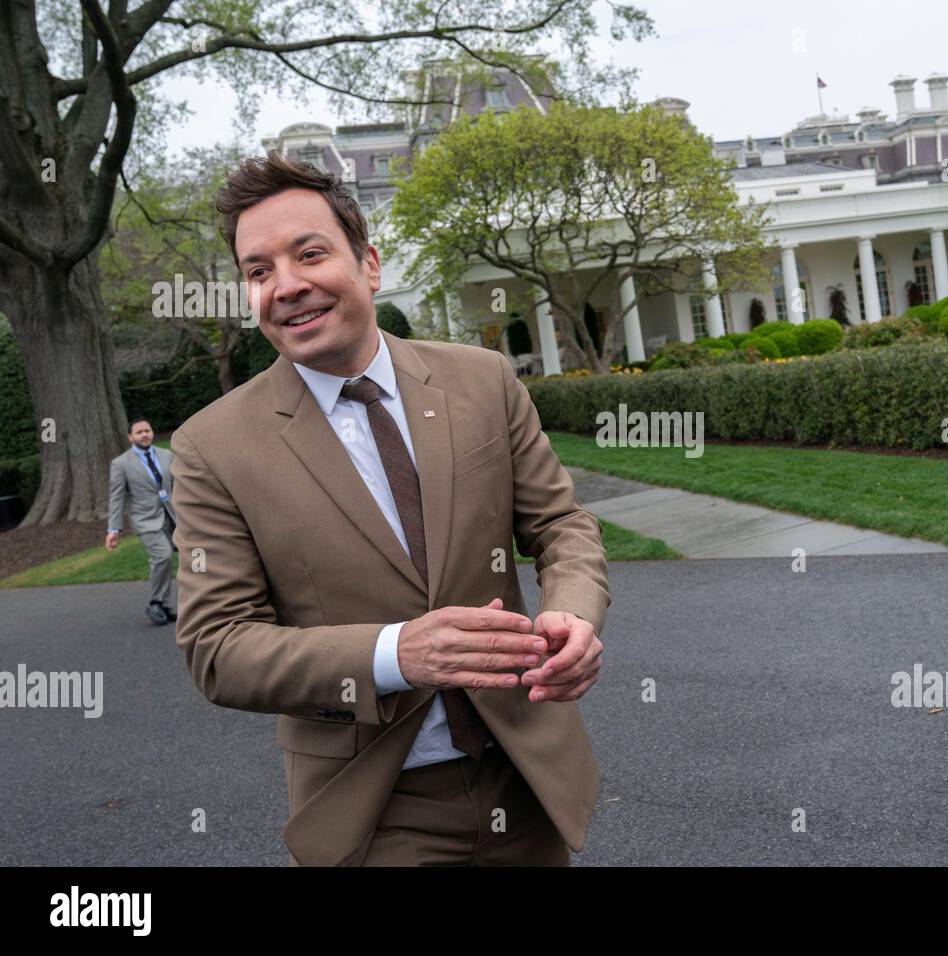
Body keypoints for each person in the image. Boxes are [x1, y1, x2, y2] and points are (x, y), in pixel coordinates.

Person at [169, 152, 609, 867]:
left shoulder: (484, 380)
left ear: (369, 264)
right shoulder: (211, 449)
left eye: (309, 253)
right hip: (374, 810)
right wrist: (396, 653)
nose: (286, 286)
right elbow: (219, 650)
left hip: (526, 781)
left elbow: (562, 527)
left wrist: (575, 614)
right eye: (258, 271)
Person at [106, 418, 177, 625]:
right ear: (131, 437)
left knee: (196, 557)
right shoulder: (120, 464)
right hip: (145, 519)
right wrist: (113, 529)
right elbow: (116, 497)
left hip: (173, 516)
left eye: (147, 430)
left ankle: (166, 605)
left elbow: (177, 484)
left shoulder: (167, 455)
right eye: (139, 432)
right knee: (163, 556)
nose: (144, 434)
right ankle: (156, 602)